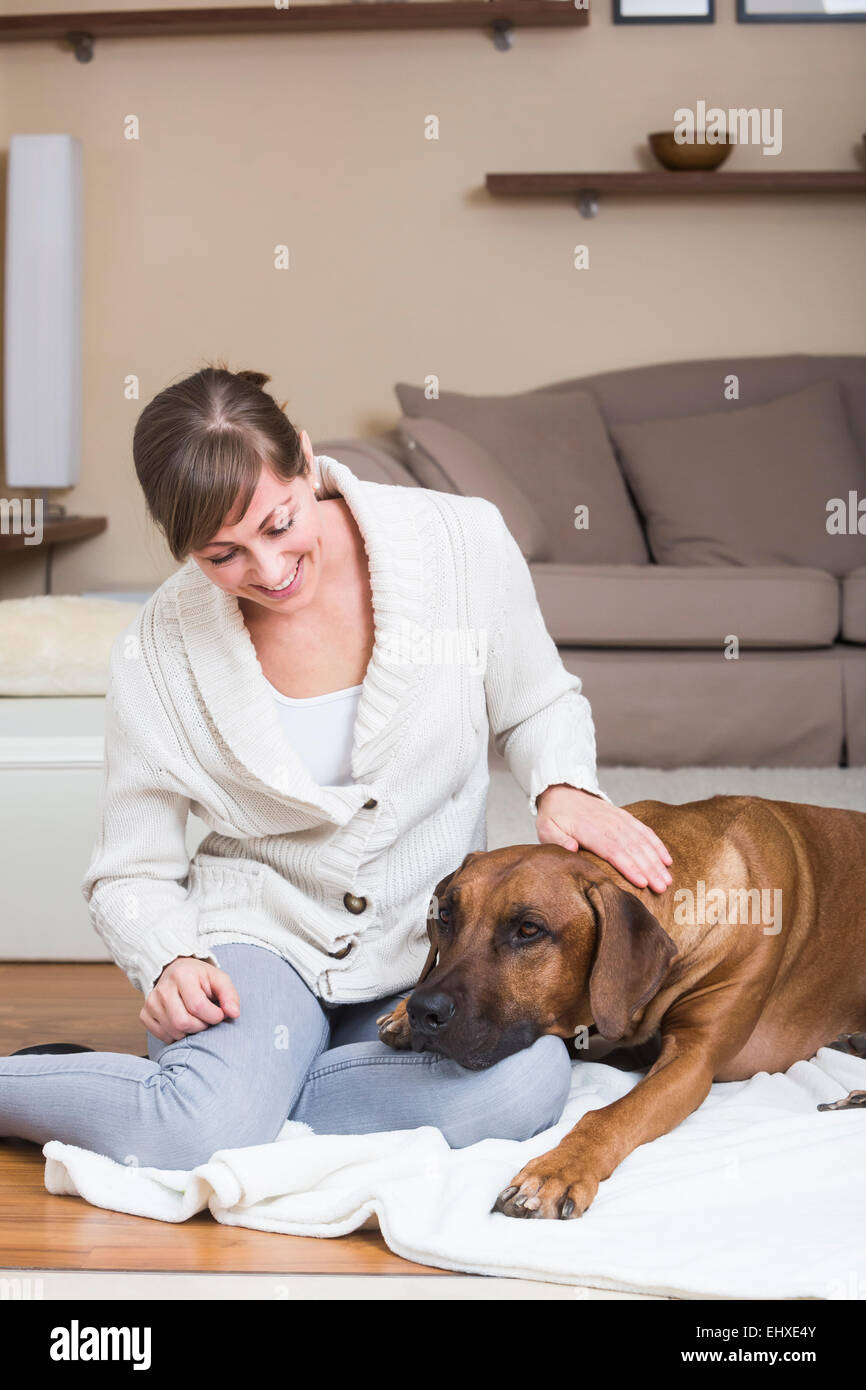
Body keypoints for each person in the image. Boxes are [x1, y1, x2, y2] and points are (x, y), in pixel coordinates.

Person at [0, 364, 671, 1171]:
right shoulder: (157, 650)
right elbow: (128, 871)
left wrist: (564, 783)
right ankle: (209, 1097)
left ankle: (237, 1091)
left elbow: (536, 702)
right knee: (192, 1136)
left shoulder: (461, 544)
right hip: (255, 943)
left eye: (280, 523)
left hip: (422, 951)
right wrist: (169, 958)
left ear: (306, 463)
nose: (269, 570)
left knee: (524, 1084)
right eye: (223, 554)